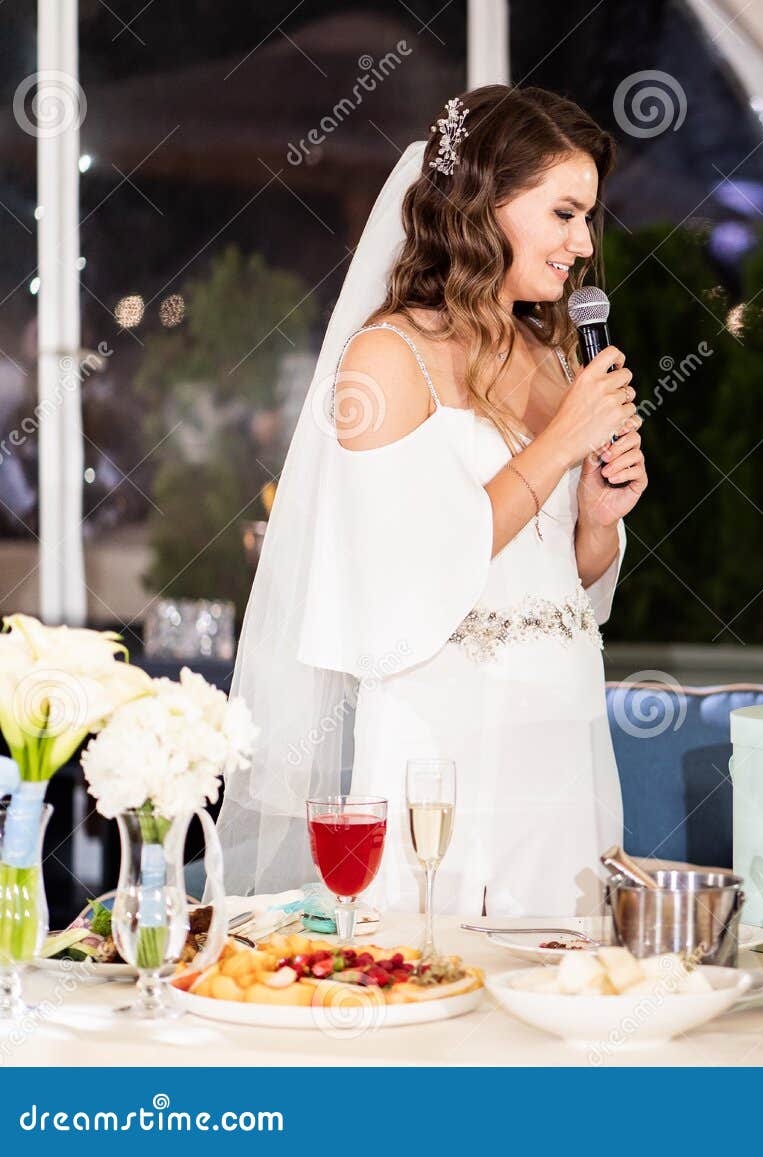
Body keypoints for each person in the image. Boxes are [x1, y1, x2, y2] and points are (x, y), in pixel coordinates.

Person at [219, 86, 646, 917]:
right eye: (562, 213)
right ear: (485, 205)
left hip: (564, 728)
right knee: (439, 979)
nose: (582, 244)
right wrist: (562, 442)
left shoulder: (552, 355)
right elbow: (408, 575)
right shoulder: (384, 362)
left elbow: (568, 582)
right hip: (443, 740)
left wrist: (598, 517)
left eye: (587, 217)